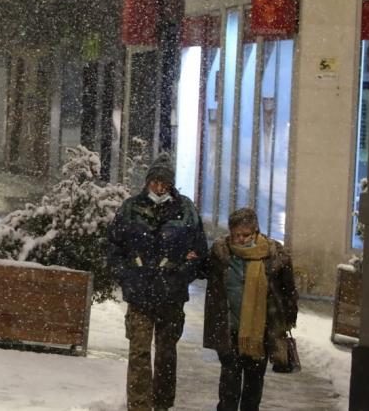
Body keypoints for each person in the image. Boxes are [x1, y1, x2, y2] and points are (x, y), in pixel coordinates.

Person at [107, 154, 208, 411]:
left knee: (166, 354)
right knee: (139, 353)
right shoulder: (130, 208)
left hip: (171, 296)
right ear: (148, 182)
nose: (159, 188)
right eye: (155, 182)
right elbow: (113, 247)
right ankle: (139, 406)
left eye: (164, 183)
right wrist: (127, 274)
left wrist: (181, 274)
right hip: (139, 294)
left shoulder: (186, 210)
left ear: (171, 185)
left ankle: (162, 404)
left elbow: (199, 252)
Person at [203, 207, 299, 411]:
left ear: (256, 231)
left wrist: (286, 320)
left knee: (253, 389)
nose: (240, 239)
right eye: (235, 234)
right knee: (229, 388)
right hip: (229, 331)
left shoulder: (275, 255)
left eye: (245, 234)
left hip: (261, 334)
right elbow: (205, 275)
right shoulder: (221, 253)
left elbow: (288, 290)